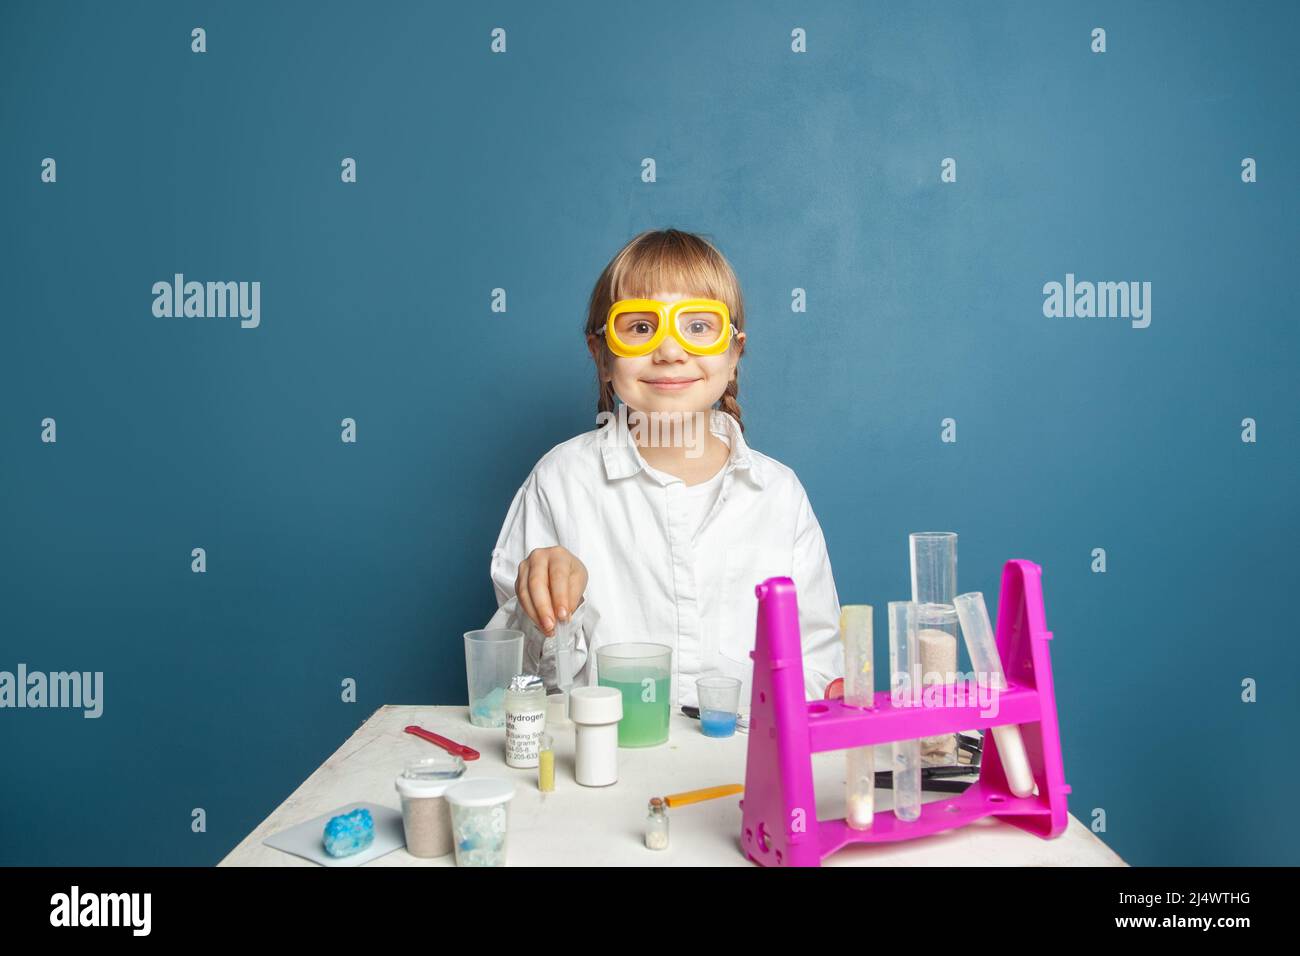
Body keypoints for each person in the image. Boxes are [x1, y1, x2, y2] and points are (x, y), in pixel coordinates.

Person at [484, 228, 842, 710]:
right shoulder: (560, 481)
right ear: (602, 355)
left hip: (739, 765)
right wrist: (548, 610)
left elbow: (821, 670)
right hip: (605, 765)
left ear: (734, 354)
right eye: (640, 327)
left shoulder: (779, 494)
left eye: (697, 327)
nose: (671, 351)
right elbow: (520, 686)